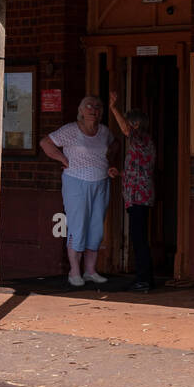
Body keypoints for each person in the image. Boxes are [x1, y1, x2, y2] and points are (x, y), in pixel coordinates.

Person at [41, 95, 119, 288]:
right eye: (89, 106)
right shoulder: (71, 130)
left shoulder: (103, 131)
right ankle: (74, 271)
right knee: (77, 225)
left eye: (98, 106)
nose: (94, 109)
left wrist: (110, 162)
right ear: (81, 110)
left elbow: (115, 143)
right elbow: (45, 143)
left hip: (101, 183)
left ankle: (90, 270)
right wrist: (63, 160)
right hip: (76, 182)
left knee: (96, 226)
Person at [109, 91, 156, 292]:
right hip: (135, 196)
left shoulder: (141, 139)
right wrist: (120, 173)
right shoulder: (139, 144)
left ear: (135, 125)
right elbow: (138, 169)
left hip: (139, 198)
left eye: (129, 124)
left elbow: (126, 130)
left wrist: (113, 108)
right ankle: (143, 277)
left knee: (139, 239)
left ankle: (143, 279)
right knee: (138, 237)